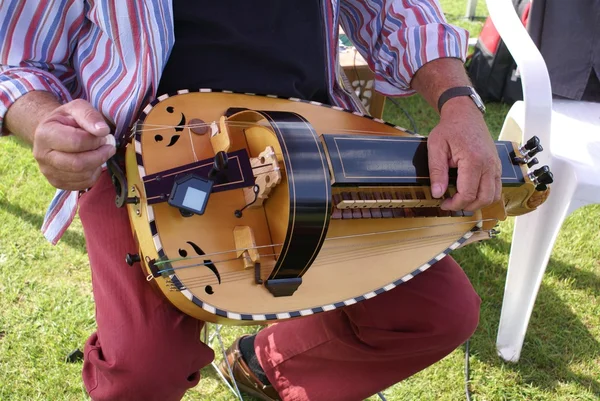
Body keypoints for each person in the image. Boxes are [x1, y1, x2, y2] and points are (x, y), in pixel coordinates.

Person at [0, 1, 501, 400]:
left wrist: (459, 102)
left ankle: (263, 365)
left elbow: (396, 10)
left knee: (437, 313)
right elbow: (17, 60)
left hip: (311, 151)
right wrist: (46, 122)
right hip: (142, 164)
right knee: (143, 373)